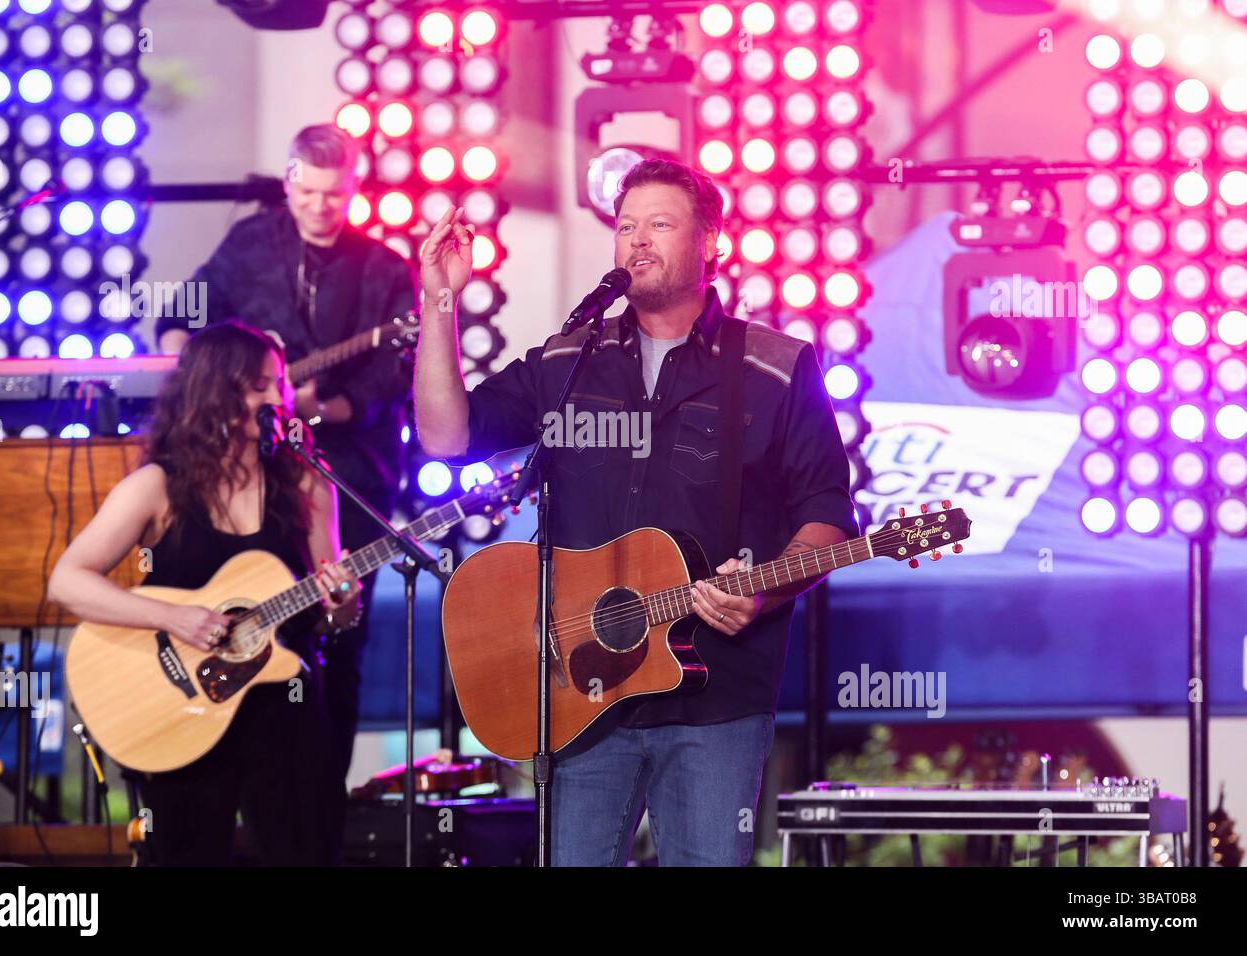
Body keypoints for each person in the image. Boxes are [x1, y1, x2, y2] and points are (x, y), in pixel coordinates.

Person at [413, 158, 859, 866]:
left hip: (717, 696)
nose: (637, 241)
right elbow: (447, 435)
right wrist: (439, 301)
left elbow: (828, 513)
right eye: (626, 227)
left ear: (710, 241)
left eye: (659, 224)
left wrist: (767, 586)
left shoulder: (774, 366)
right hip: (575, 690)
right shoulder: (570, 360)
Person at [156, 124, 416, 776]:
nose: (319, 206)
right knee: (242, 616)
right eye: (308, 191)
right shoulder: (250, 241)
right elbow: (196, 298)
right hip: (249, 471)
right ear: (289, 180)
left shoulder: (386, 270)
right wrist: (173, 340)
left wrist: (322, 408)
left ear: (355, 188)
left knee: (336, 627)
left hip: (349, 471)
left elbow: (394, 378)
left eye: (335, 194)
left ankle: (320, 788)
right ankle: (225, 768)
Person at [49, 322, 359, 866]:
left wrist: (344, 605)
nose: (276, 398)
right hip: (178, 704)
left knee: (309, 851)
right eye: (258, 385)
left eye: (278, 385)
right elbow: (68, 580)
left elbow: (331, 613)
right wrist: (174, 618)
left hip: (281, 702)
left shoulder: (308, 481)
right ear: (214, 389)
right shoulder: (157, 487)